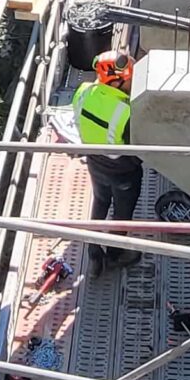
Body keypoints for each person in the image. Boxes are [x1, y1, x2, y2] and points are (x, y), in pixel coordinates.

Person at [73, 50, 140, 269]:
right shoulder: (125, 112)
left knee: (100, 201)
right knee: (122, 214)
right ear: (117, 82)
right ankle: (115, 254)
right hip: (122, 171)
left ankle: (94, 253)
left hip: (94, 162)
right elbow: (136, 148)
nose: (133, 82)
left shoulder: (83, 92)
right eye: (130, 79)